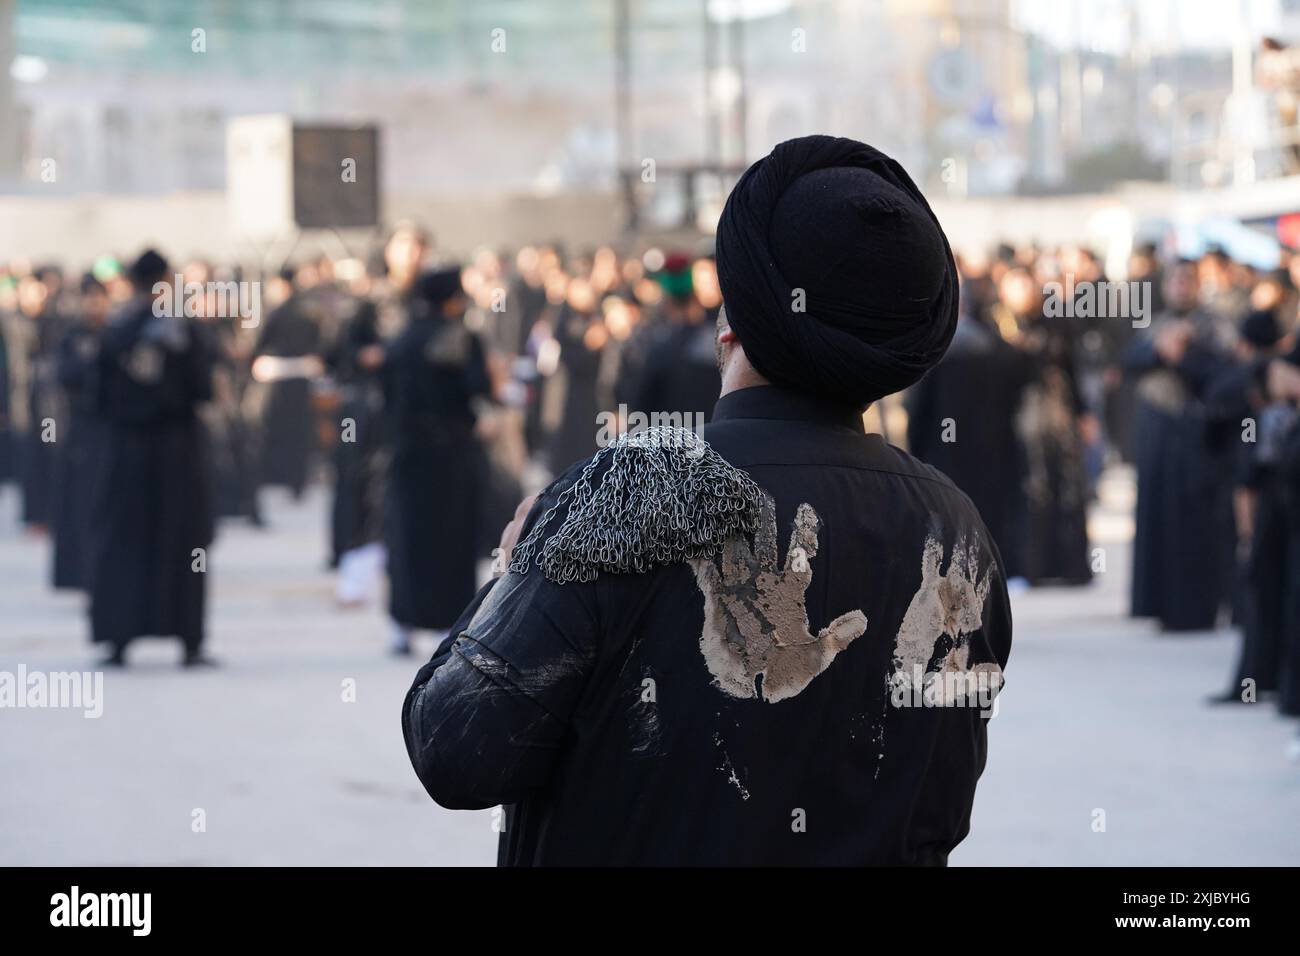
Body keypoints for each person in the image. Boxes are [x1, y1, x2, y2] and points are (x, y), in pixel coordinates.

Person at [403, 135, 1012, 865]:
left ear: (733, 326)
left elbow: (456, 752)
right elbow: (938, 802)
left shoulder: (635, 485)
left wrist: (513, 574)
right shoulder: (955, 524)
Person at [89, 250, 215, 667]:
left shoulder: (116, 328)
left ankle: (118, 637)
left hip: (128, 451)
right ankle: (189, 641)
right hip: (175, 451)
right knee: (182, 543)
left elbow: (98, 397)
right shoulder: (181, 328)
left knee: (125, 540)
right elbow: (202, 388)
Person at [381, 268, 491, 655]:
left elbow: (387, 394)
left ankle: (403, 622)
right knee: (451, 536)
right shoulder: (460, 338)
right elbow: (480, 388)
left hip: (408, 452)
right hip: (451, 453)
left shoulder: (401, 339)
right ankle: (450, 621)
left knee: (408, 535)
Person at [1124, 260, 1234, 632]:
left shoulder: (1214, 326)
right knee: (1158, 518)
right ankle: (1161, 606)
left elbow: (1221, 375)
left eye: (1188, 281)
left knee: (1192, 521)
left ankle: (1194, 610)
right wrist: (1159, 350)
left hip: (1194, 435)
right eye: (1175, 280)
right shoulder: (1153, 322)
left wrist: (1182, 355)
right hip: (1156, 436)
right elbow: (1128, 360)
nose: (1181, 287)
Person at [49, 275, 110, 591]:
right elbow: (65, 375)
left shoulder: (115, 334)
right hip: (81, 432)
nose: (94, 304)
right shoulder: (72, 336)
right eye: (89, 298)